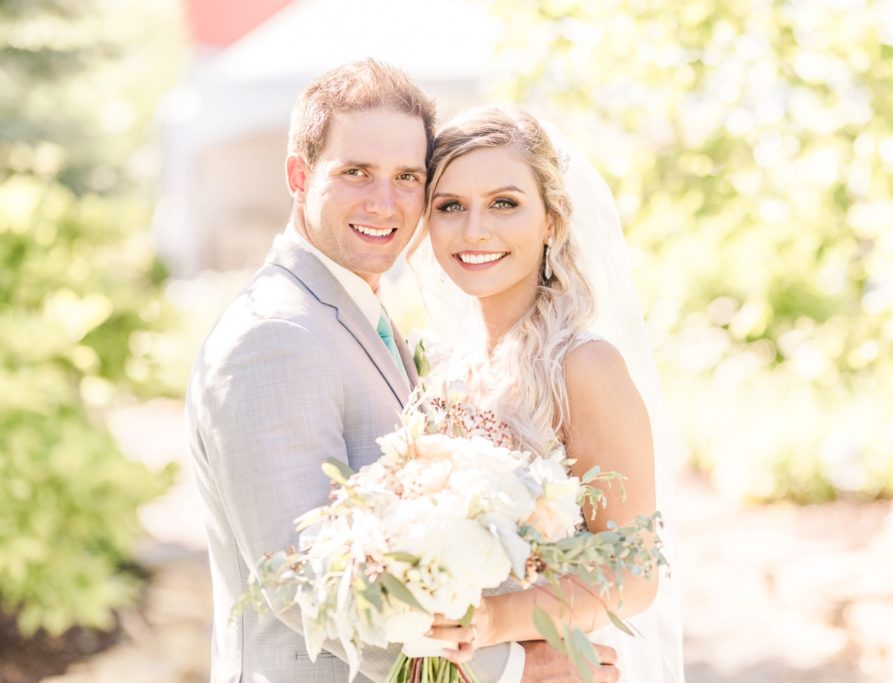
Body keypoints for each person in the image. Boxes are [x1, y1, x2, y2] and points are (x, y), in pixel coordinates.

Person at [185, 62, 618, 683]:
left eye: (407, 177)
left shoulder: (360, 317)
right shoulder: (273, 338)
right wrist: (519, 667)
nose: (384, 202)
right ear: (298, 176)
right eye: (355, 173)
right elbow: (303, 583)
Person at [411, 106, 685, 682]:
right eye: (450, 206)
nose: (475, 229)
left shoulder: (584, 366)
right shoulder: (439, 370)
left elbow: (634, 570)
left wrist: (491, 622)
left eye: (504, 203)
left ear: (552, 221)